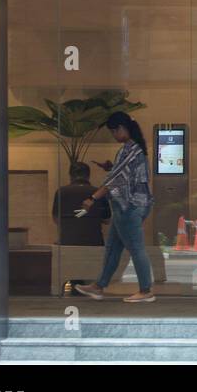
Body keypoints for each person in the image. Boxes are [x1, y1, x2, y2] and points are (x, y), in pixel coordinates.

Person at [73, 112, 156, 303]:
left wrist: (92, 198)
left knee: (136, 248)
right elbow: (124, 174)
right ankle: (99, 286)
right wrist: (111, 167)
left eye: (113, 132)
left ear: (121, 128)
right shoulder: (136, 149)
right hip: (130, 206)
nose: (114, 135)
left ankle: (145, 290)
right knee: (113, 248)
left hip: (129, 206)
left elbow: (114, 181)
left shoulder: (129, 150)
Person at [51, 162, 108, 246]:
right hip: (94, 242)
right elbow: (107, 220)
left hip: (67, 242)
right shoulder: (98, 193)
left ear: (70, 176)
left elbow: (55, 218)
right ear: (88, 176)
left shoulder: (61, 192)